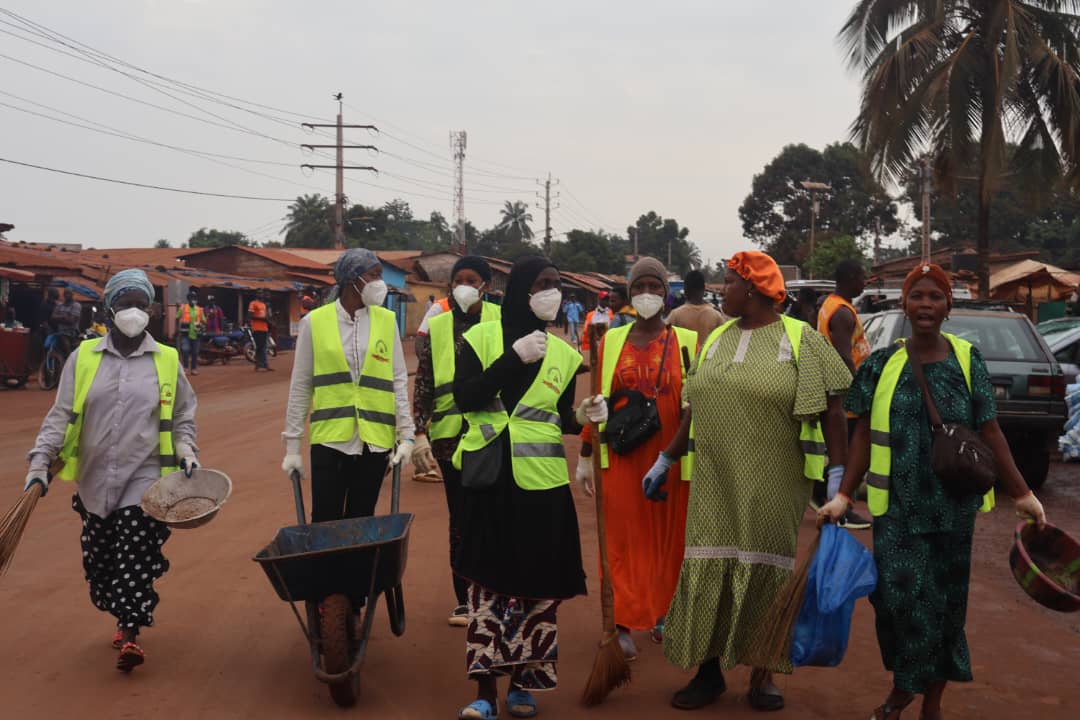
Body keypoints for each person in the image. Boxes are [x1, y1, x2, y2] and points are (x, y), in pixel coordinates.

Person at [818, 263, 1047, 720]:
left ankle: (929, 702)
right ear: (904, 303)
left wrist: (1022, 493)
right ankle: (905, 685)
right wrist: (843, 495)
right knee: (896, 605)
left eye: (934, 297)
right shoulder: (882, 364)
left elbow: (991, 430)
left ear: (948, 306)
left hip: (953, 510)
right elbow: (861, 434)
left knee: (944, 608)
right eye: (917, 296)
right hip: (897, 511)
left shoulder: (968, 359)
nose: (925, 305)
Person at [647, 250, 851, 712]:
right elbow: (695, 408)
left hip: (774, 482)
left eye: (730, 282)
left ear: (755, 290)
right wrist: (665, 459)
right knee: (710, 564)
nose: (723, 290)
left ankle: (763, 674)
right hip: (715, 482)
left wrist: (838, 478)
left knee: (765, 572)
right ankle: (708, 671)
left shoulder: (801, 339)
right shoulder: (716, 336)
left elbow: (835, 409)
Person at [451, 256, 607, 720]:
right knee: (486, 580)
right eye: (543, 284)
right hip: (488, 479)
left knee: (536, 582)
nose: (552, 292)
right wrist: (511, 359)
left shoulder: (564, 354)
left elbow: (555, 417)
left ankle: (524, 683)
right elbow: (466, 397)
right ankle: (484, 690)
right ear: (521, 290)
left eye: (557, 284)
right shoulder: (479, 338)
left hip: (541, 484)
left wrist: (582, 418)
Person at [25, 268, 198, 673]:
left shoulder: (168, 360)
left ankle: (131, 630)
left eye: (141, 304)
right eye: (126, 304)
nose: (134, 312)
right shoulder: (83, 358)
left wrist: (187, 451)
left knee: (136, 551)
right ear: (109, 309)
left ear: (151, 311)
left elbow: (184, 415)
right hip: (95, 479)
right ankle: (118, 608)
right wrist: (39, 463)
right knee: (101, 564)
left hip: (147, 474)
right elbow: (61, 414)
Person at [577, 257, 697, 659]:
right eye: (640, 286)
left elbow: (696, 404)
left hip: (672, 457)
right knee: (622, 541)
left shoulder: (687, 343)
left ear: (667, 293)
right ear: (629, 293)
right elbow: (597, 399)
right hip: (623, 458)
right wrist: (585, 451)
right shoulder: (610, 341)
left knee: (668, 540)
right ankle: (622, 621)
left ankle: (664, 611)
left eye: (655, 286)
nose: (648, 294)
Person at [282, 248, 414, 525]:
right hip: (331, 440)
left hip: (375, 441)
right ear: (352, 279)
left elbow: (398, 380)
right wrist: (293, 446)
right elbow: (301, 385)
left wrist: (407, 435)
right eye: (374, 275)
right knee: (325, 520)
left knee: (362, 518)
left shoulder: (387, 321)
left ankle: (356, 570)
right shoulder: (314, 323)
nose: (381, 283)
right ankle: (328, 570)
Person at [411, 256, 501, 627]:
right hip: (449, 439)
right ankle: (464, 598)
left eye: (471, 279)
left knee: (494, 515)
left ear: (486, 284)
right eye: (458, 279)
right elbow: (425, 381)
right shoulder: (439, 323)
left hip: (493, 436)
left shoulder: (501, 319)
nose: (464, 285)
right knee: (460, 519)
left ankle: (495, 591)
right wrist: (419, 432)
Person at [813, 259, 873, 529]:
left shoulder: (831, 305)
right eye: (861, 276)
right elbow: (843, 355)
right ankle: (841, 506)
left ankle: (833, 499)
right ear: (849, 277)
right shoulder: (841, 312)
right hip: (845, 394)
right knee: (847, 454)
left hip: (835, 390)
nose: (865, 282)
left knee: (840, 453)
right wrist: (858, 389)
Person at [666, 270, 727, 345]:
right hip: (707, 356)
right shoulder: (716, 315)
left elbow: (664, 340)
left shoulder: (675, 315)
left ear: (685, 290)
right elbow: (724, 342)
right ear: (704, 289)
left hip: (682, 356)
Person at [176, 289, 205, 375]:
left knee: (195, 352)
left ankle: (193, 369)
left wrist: (202, 324)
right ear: (188, 299)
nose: (193, 300)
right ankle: (185, 367)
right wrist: (176, 329)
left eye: (194, 298)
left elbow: (204, 320)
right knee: (185, 350)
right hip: (185, 333)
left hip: (196, 334)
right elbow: (177, 318)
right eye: (191, 298)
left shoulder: (199, 309)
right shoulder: (183, 308)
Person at [51, 288, 83, 355]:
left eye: (68, 293)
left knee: (65, 342)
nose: (67, 295)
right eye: (65, 293)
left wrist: (59, 317)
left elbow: (71, 320)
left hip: (72, 332)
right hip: (60, 331)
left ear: (72, 295)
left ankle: (70, 357)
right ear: (63, 295)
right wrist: (63, 317)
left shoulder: (76, 305)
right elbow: (53, 317)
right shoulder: (59, 305)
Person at [248, 289, 271, 371]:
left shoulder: (263, 305)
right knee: (260, 346)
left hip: (264, 328)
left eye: (262, 293)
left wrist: (268, 322)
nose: (261, 295)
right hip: (257, 328)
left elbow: (266, 316)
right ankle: (258, 364)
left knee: (264, 347)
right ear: (256, 295)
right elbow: (250, 316)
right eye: (259, 293)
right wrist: (263, 319)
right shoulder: (253, 303)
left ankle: (264, 364)